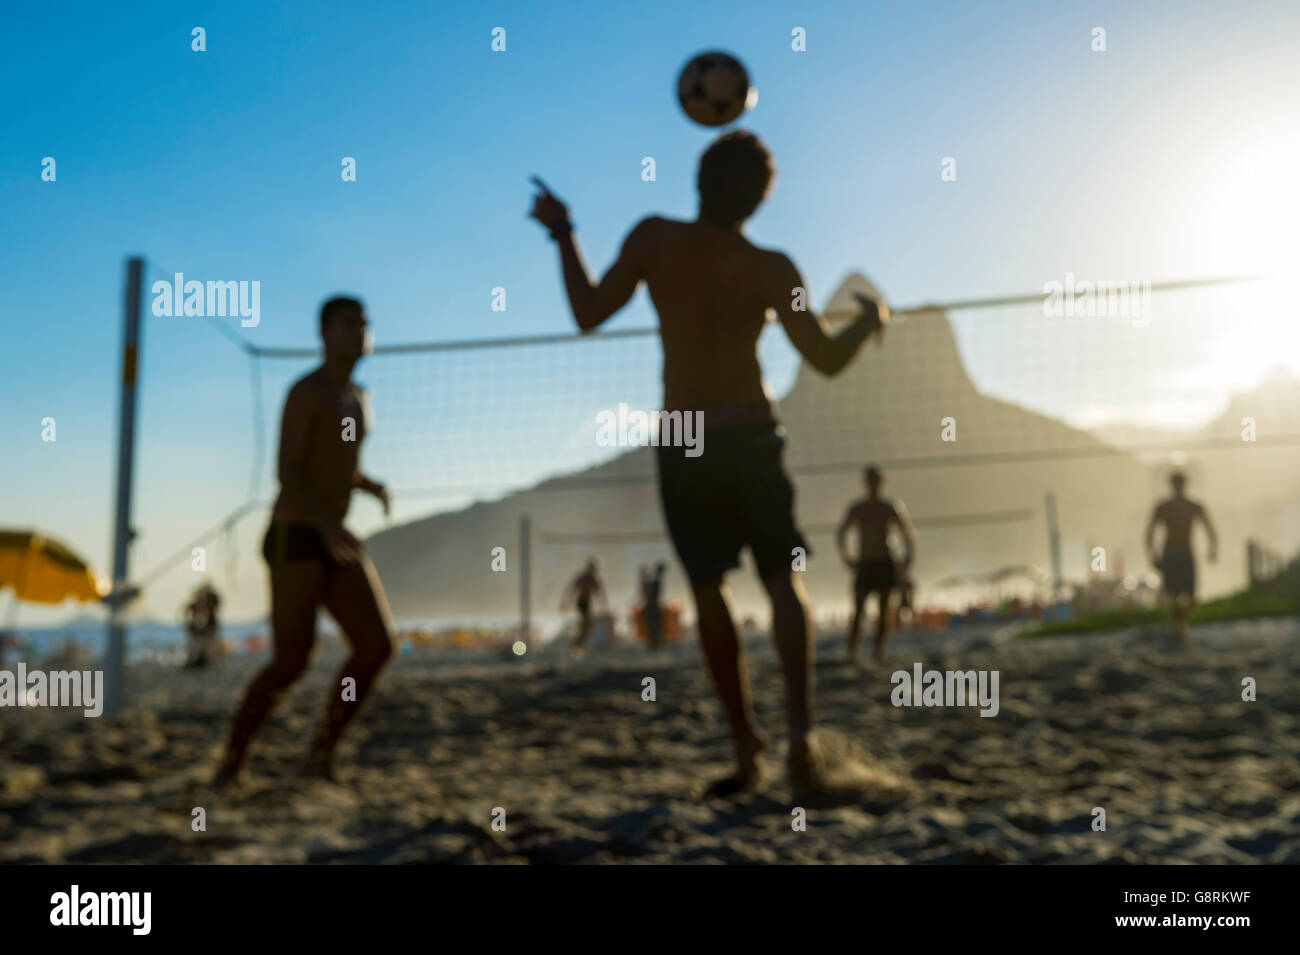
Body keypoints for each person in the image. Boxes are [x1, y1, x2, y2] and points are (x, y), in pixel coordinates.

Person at [530, 130, 887, 796]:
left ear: (698, 178)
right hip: (752, 428)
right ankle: (802, 732)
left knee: (708, 586)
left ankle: (746, 747)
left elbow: (586, 312)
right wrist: (871, 321)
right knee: (784, 578)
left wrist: (563, 231)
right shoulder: (773, 267)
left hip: (689, 432)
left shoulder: (655, 239)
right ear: (758, 198)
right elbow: (829, 359)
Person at [215, 296, 395, 786]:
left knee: (377, 646)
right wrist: (328, 523)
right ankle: (231, 765)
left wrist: (366, 483)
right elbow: (288, 472)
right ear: (324, 334)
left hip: (332, 536)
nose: (358, 331)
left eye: (363, 323)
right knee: (292, 661)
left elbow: (338, 463)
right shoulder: (307, 392)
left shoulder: (358, 398)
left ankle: (319, 755)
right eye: (347, 324)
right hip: (296, 533)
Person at [837, 466, 916, 663]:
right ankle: (852, 652)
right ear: (866, 482)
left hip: (884, 562)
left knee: (883, 610)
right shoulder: (858, 508)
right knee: (858, 610)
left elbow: (908, 534)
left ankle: (878, 652)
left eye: (877, 480)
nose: (873, 484)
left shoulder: (890, 507)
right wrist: (847, 557)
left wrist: (907, 559)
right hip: (865, 563)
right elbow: (841, 533)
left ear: (881, 482)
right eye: (871, 480)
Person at [1145, 470, 1217, 640]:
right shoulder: (1163, 507)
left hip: (1185, 552)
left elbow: (1210, 529)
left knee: (1190, 596)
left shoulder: (1193, 506)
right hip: (1170, 552)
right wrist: (1153, 556)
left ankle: (1181, 622)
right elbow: (1149, 534)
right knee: (1174, 594)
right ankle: (1178, 627)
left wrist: (1213, 548)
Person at [562, 558, 605, 651]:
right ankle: (577, 644)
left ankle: (580, 643)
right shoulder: (587, 577)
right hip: (582, 602)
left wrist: (566, 602)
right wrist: (566, 602)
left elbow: (599, 591)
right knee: (587, 624)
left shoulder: (589, 577)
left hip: (585, 603)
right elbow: (573, 588)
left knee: (587, 625)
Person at [182, 582, 222, 669]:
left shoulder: (205, 606)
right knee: (197, 645)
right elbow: (186, 614)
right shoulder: (197, 605)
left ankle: (202, 660)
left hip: (204, 629)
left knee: (204, 645)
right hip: (199, 629)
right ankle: (198, 660)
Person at [641, 562, 668, 649]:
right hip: (653, 606)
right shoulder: (657, 581)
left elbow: (646, 592)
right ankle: (654, 644)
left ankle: (654, 644)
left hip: (652, 606)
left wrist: (644, 575)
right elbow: (649, 593)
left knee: (653, 625)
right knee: (654, 625)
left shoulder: (655, 581)